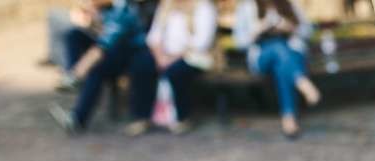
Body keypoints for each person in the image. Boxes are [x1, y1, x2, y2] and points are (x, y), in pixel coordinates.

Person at [49, 0, 154, 135]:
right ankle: (73, 78)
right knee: (73, 34)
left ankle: (77, 116)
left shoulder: (122, 11)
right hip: (114, 48)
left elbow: (103, 46)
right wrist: (90, 20)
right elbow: (100, 33)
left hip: (131, 54)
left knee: (96, 69)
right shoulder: (102, 7)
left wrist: (77, 73)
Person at [232, 0, 321, 139]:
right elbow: (239, 42)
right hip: (262, 56)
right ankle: (301, 81)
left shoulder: (291, 4)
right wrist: (257, 30)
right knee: (278, 48)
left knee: (281, 66)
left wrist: (291, 28)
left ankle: (289, 119)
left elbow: (308, 31)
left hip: (291, 51)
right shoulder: (246, 7)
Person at [137, 0, 219, 134]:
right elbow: (154, 37)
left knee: (177, 71)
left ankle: (181, 116)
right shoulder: (166, 5)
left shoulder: (204, 7)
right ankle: (142, 116)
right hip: (164, 54)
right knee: (141, 65)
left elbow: (201, 42)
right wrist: (160, 58)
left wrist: (171, 58)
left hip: (193, 56)